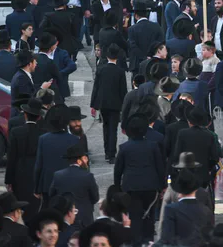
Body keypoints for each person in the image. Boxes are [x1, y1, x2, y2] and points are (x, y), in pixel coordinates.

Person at [114, 114, 165, 245]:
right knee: (149, 216)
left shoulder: (124, 147)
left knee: (135, 217)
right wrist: (163, 185)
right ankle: (148, 241)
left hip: (131, 187)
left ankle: (137, 242)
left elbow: (118, 170)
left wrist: (117, 187)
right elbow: (160, 167)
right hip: (151, 186)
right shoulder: (153, 146)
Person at [5, 99, 45, 219]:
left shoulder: (16, 132)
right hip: (37, 171)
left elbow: (11, 157)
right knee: (36, 205)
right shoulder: (43, 133)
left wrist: (9, 180)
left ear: (25, 115)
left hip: (20, 171)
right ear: (39, 117)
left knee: (22, 205)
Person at [90, 44, 128, 163]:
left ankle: (107, 152)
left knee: (105, 127)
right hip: (116, 104)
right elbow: (123, 91)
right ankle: (112, 154)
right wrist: (124, 106)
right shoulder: (120, 72)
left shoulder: (101, 69)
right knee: (113, 128)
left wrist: (93, 105)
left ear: (107, 56)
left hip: (103, 103)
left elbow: (96, 87)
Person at [49, 144, 99, 227]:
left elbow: (52, 194)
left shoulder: (58, 175)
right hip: (84, 218)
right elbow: (95, 197)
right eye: (84, 158)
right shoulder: (88, 176)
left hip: (64, 217)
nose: (86, 161)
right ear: (79, 161)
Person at [160, 169, 214, 246]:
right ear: (195, 189)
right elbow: (209, 236)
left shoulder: (171, 210)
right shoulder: (206, 211)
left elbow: (166, 239)